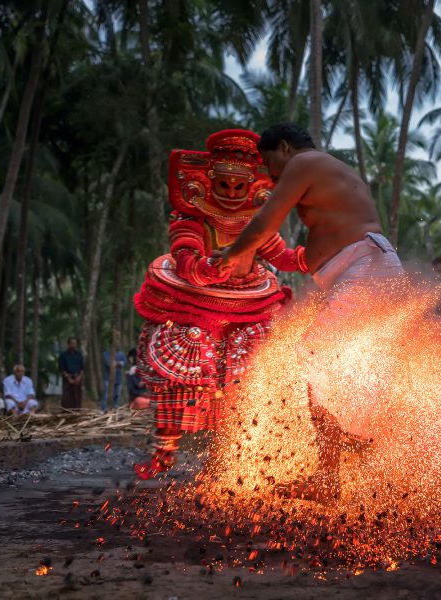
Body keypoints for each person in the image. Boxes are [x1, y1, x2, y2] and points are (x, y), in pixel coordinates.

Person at [213, 122, 405, 502]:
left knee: (314, 352)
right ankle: (354, 440)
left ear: (284, 147)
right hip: (367, 268)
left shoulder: (304, 162)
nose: (270, 176)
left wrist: (233, 253)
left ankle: (338, 463)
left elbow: (265, 222)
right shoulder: (324, 169)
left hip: (366, 269)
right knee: (340, 363)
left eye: (270, 165)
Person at [133, 129, 305, 479]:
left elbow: (282, 257)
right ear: (210, 183)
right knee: (181, 366)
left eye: (238, 187)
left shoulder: (258, 223)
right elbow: (186, 259)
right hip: (193, 304)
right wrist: (208, 268)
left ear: (250, 187)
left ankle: (229, 454)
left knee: (246, 376)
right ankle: (164, 451)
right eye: (224, 185)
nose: (230, 193)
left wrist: (311, 257)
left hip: (248, 303)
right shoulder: (192, 218)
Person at [58, 337, 84, 410]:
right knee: (67, 398)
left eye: (75, 343)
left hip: (77, 378)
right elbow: (61, 368)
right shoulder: (63, 355)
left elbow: (82, 368)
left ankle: (77, 412)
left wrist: (79, 377)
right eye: (72, 343)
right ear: (68, 344)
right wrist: (68, 378)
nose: (73, 345)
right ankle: (66, 413)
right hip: (67, 379)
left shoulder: (79, 355)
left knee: (77, 397)